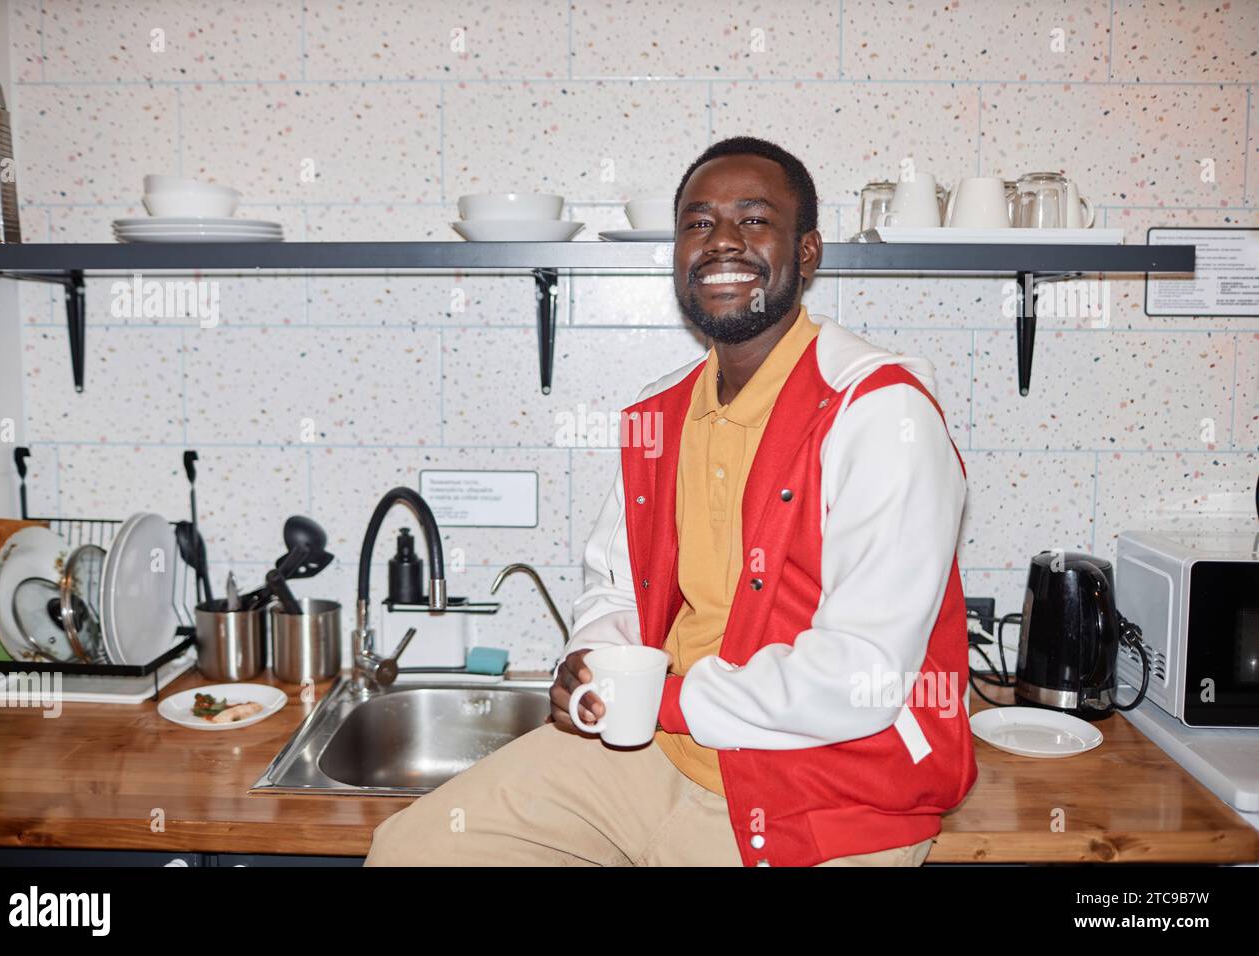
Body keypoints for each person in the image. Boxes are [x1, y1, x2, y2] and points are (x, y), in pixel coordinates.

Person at [365, 136, 975, 867]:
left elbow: (861, 677)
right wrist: (594, 662)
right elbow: (618, 584)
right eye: (697, 223)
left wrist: (663, 700)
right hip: (657, 754)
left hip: (829, 786)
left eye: (754, 220)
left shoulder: (878, 413)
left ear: (807, 252)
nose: (722, 241)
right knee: (416, 852)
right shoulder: (661, 415)